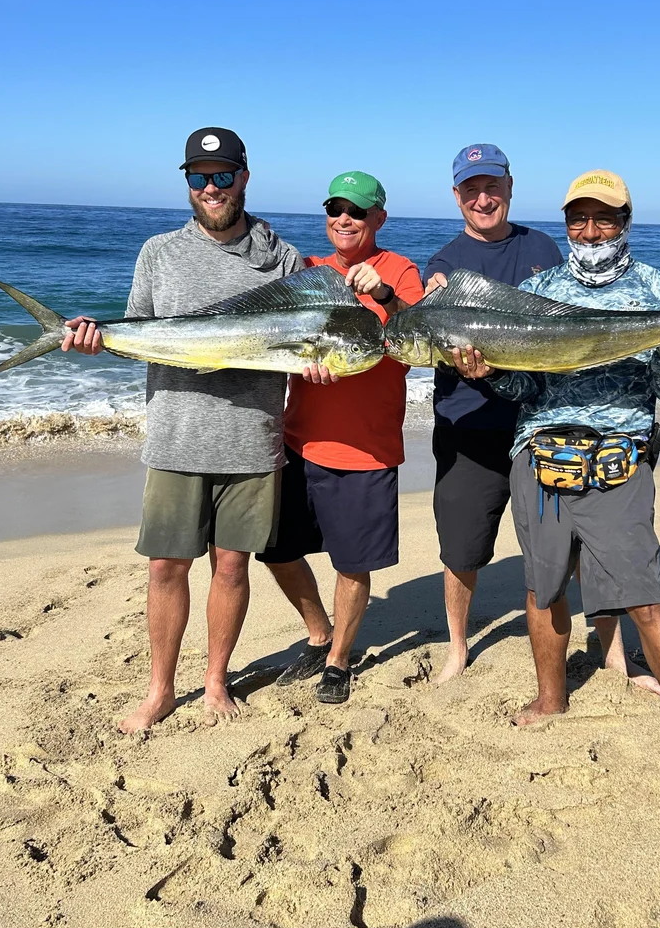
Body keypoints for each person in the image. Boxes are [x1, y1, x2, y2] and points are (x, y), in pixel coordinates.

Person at [453, 168, 660, 780]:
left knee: (645, 596)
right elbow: (524, 384)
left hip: (620, 455)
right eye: (579, 218)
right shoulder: (539, 287)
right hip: (541, 453)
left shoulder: (657, 289)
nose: (590, 229)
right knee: (541, 587)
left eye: (604, 218)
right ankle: (552, 696)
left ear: (626, 222)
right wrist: (485, 374)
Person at [62, 128, 304, 732]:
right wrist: (99, 338)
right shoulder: (157, 253)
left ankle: (216, 682)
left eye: (223, 175)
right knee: (166, 568)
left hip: (251, 440)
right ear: (187, 183)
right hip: (175, 436)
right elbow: (139, 334)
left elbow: (303, 342)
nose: (211, 188)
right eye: (199, 177)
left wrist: (317, 363)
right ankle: (161, 689)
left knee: (231, 567)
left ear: (244, 178)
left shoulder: (284, 258)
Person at [258, 172, 424, 704]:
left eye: (356, 210)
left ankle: (338, 661)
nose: (343, 219)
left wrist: (385, 294)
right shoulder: (308, 271)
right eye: (334, 209)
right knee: (275, 549)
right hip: (297, 440)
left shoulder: (400, 270)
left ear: (379, 217)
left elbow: (420, 337)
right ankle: (318, 633)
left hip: (367, 449)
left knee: (353, 563)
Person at [423, 145, 565, 681]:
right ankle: (457, 645)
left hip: (538, 422)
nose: (483, 199)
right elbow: (418, 334)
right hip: (469, 427)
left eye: (492, 187)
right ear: (457, 196)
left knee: (556, 545)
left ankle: (578, 641)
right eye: (471, 190)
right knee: (461, 548)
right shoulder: (442, 266)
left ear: (510, 187)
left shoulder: (544, 247)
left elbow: (568, 316)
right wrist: (424, 305)